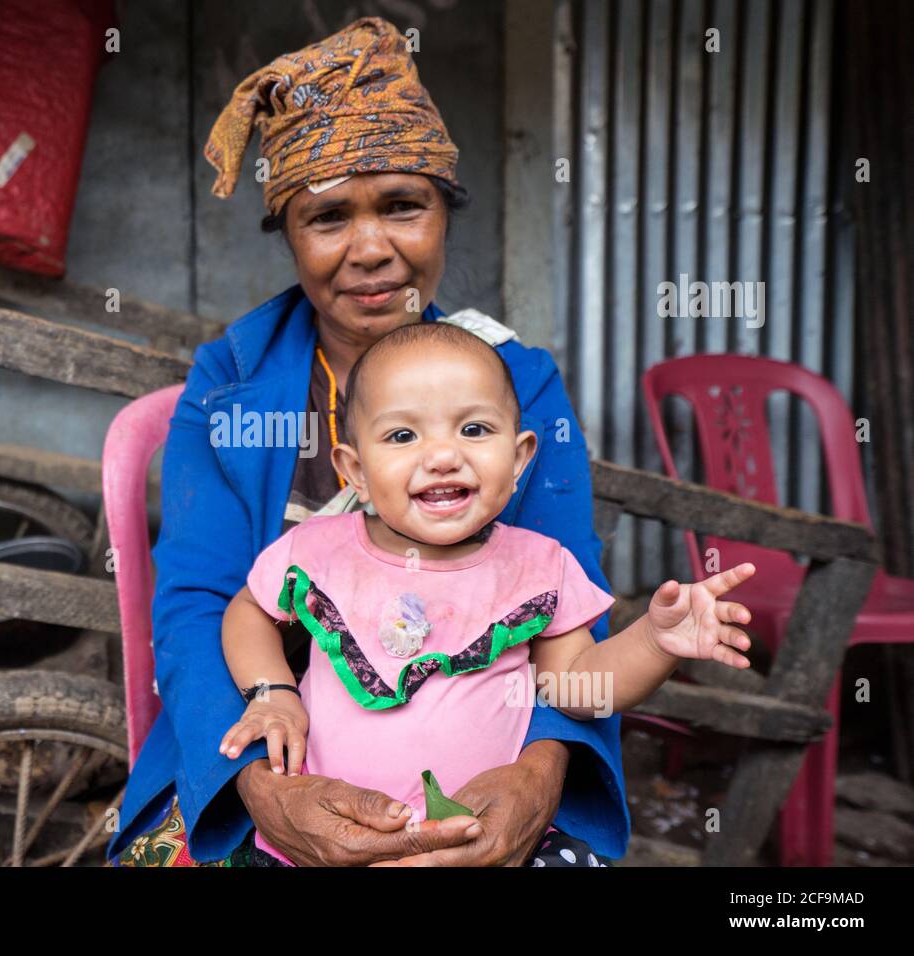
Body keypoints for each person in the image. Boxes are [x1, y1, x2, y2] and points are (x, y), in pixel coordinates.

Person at [109, 16, 630, 867]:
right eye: (327, 219)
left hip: (485, 762)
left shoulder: (517, 384)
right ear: (288, 232)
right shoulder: (231, 384)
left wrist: (536, 777)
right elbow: (199, 603)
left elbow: (568, 614)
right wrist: (269, 791)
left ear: (442, 213)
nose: (372, 251)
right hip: (260, 743)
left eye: (402, 206)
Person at [217, 322, 757, 867]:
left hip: (484, 847)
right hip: (325, 842)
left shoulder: (539, 568)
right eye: (403, 436)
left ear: (520, 457)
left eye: (474, 429)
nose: (444, 456)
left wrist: (657, 641)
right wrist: (272, 692)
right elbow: (249, 612)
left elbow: (578, 688)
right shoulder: (315, 552)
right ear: (354, 470)